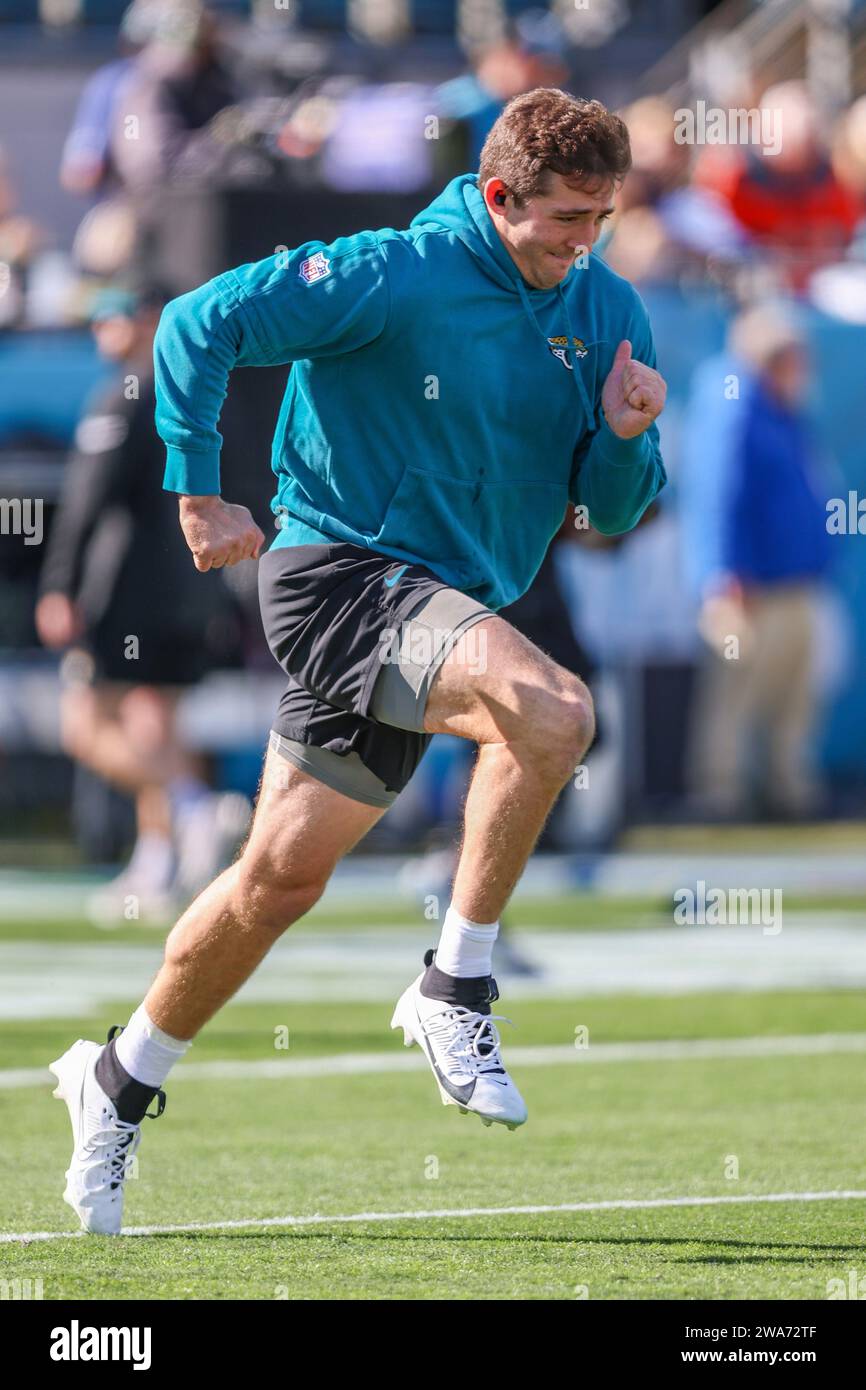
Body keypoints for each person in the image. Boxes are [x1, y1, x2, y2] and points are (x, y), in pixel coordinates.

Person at [50, 88, 667, 1234]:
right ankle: (454, 984)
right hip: (336, 575)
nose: (582, 242)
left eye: (601, 217)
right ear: (496, 198)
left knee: (275, 881)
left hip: (439, 610)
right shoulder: (393, 269)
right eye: (563, 219)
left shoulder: (607, 304)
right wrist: (197, 484)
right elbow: (197, 321)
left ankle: (119, 1076)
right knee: (552, 710)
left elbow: (611, 504)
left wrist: (627, 439)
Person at [35, 284, 248, 923]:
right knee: (156, 720)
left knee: (86, 723)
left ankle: (190, 807)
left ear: (154, 319)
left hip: (127, 591)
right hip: (194, 587)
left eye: (116, 315)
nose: (105, 329)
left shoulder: (126, 395)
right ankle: (158, 860)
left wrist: (59, 586)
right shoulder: (202, 392)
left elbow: (86, 503)